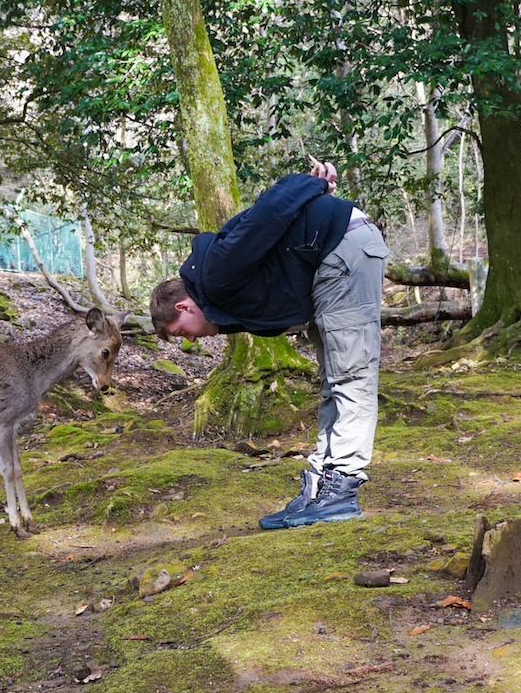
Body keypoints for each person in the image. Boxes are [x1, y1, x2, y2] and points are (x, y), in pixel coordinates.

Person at [150, 159, 388, 530]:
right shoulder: (221, 299)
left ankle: (341, 489)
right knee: (333, 382)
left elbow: (268, 212)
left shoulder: (215, 274)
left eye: (182, 331)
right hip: (329, 261)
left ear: (184, 306)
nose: (191, 341)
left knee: (351, 376)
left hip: (345, 249)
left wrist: (314, 187)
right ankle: (322, 485)